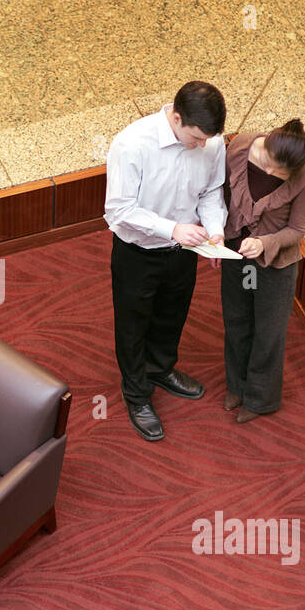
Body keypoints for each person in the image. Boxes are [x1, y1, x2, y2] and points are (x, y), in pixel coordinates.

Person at [105, 82, 227, 441]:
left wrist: (216, 230)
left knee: (173, 313)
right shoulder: (131, 144)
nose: (203, 146)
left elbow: (210, 191)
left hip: (185, 251)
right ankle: (137, 394)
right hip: (137, 253)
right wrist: (172, 229)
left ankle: (160, 368)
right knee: (133, 324)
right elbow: (118, 210)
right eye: (196, 138)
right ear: (176, 117)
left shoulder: (212, 141)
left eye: (209, 139)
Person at [221, 119, 305, 422]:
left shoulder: (304, 178)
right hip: (237, 256)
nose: (272, 174)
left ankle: (261, 399)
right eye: (270, 166)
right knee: (237, 320)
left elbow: (297, 231)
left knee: (268, 332)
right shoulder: (239, 148)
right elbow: (220, 194)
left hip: (275, 265)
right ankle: (237, 385)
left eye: (281, 173)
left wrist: (264, 243)